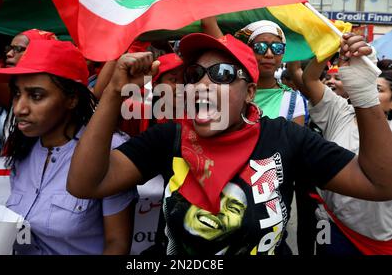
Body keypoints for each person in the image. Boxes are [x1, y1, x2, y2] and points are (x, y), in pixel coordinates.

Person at [67, 32, 392, 255]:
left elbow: (379, 184)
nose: (204, 83)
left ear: (249, 93)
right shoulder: (171, 137)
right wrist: (113, 93)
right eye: (194, 74)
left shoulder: (285, 137)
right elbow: (85, 183)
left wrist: (365, 97)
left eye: (222, 73)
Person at [0, 40, 136, 255]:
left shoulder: (108, 150)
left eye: (36, 96)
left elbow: (116, 244)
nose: (19, 108)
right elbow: (12, 227)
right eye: (16, 93)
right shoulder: (22, 146)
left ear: (71, 99)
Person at [300, 33, 392, 255]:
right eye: (368, 86)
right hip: (331, 224)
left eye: (377, 90)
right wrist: (329, 46)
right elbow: (310, 79)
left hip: (378, 238)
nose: (369, 91)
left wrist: (364, 91)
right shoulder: (339, 110)